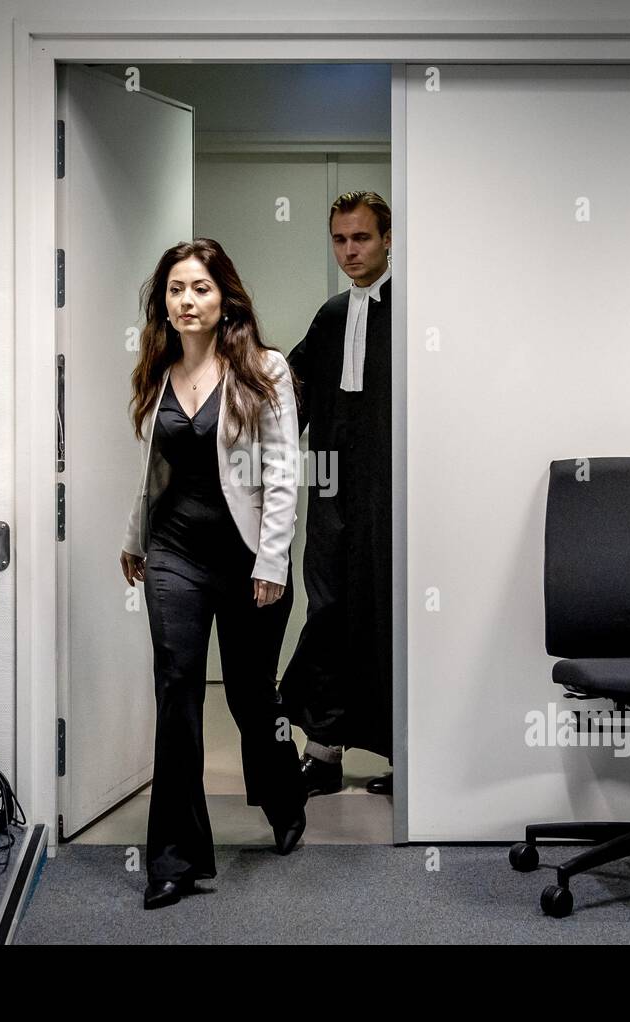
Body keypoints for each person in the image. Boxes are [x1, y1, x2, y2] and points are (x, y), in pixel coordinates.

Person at [119, 238, 307, 910]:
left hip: (245, 556)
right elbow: (151, 470)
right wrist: (135, 537)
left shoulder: (265, 369)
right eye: (175, 289)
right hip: (174, 556)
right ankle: (174, 858)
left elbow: (284, 473)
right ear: (163, 302)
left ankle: (284, 794)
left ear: (224, 295)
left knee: (252, 697)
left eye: (199, 287)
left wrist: (273, 559)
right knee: (177, 689)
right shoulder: (156, 367)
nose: (187, 300)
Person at [279, 190, 394, 797]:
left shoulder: (410, 315)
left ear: (387, 240)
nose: (349, 251)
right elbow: (288, 395)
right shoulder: (328, 317)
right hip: (329, 492)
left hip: (389, 499)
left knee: (387, 617)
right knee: (325, 614)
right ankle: (322, 755)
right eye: (340, 240)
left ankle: (406, 759)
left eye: (362, 238)